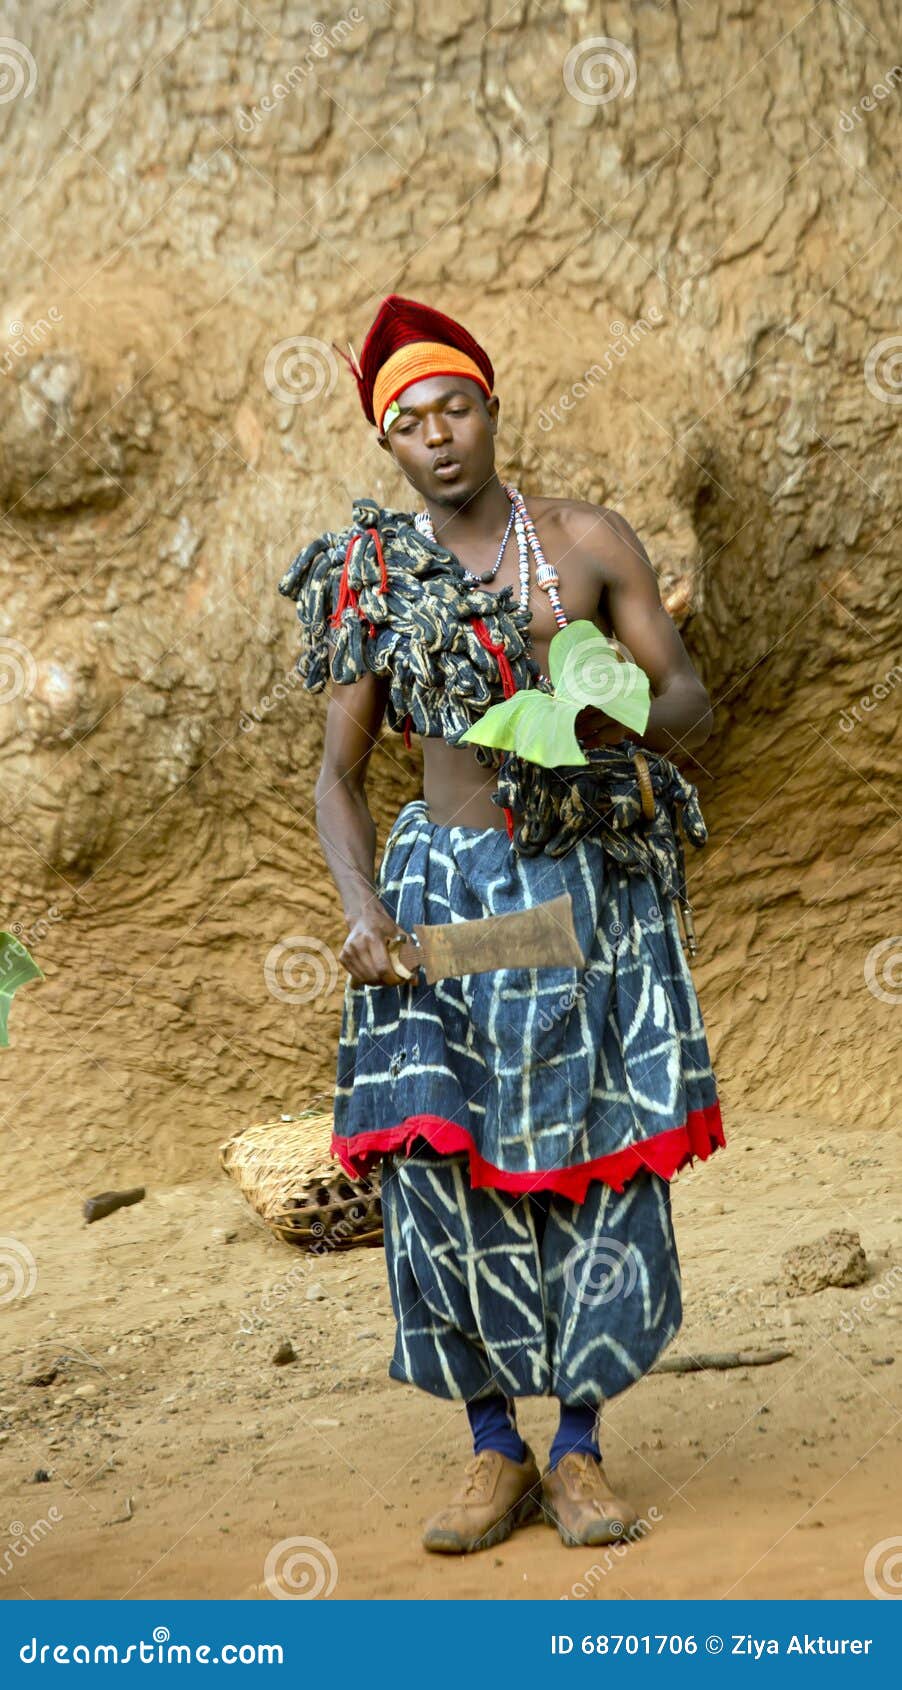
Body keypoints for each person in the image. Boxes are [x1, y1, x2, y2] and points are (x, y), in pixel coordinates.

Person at [278, 293, 725, 1555]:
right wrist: (361, 906)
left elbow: (685, 694)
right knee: (435, 1173)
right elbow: (336, 774)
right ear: (387, 445)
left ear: (490, 404)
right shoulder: (378, 579)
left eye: (453, 407)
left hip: (583, 891)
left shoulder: (583, 543)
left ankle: (577, 1448)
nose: (436, 437)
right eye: (407, 422)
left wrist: (595, 703)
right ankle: (491, 1447)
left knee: (594, 1157)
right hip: (441, 905)